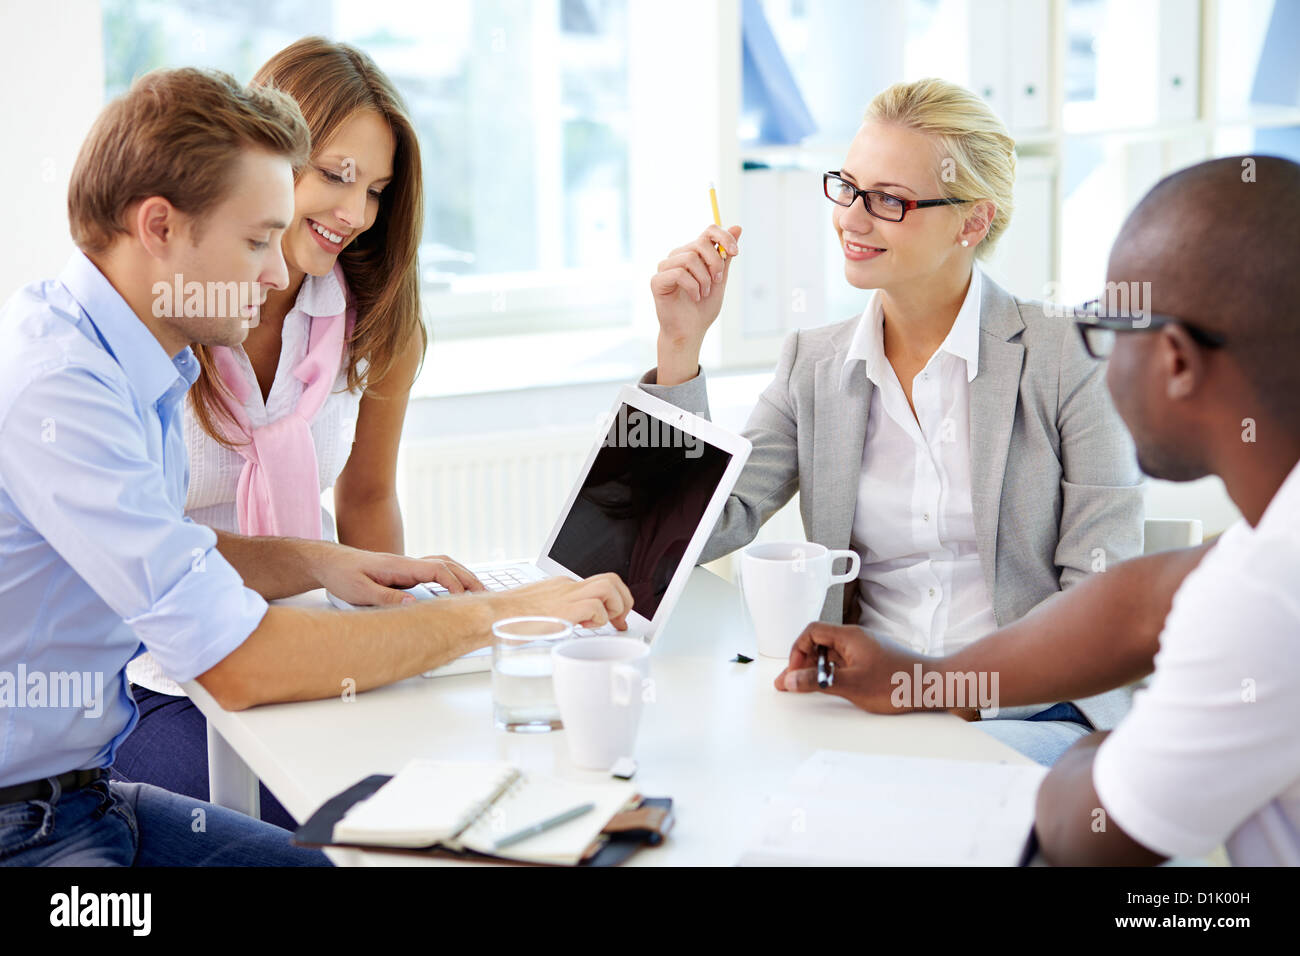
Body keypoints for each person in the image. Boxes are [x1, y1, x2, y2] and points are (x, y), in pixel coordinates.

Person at [0, 67, 631, 867]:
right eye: (258, 239)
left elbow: (171, 552)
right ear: (159, 226)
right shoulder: (62, 390)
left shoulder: (132, 362)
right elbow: (238, 664)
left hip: (81, 798)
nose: (275, 274)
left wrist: (322, 559)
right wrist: (499, 616)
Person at [775, 155, 1300, 866]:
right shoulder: (1270, 549)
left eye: (1110, 330)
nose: (1100, 360)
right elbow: (1146, 600)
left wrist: (1096, 750)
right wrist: (920, 681)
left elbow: (1086, 834)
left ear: (1175, 360)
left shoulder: (1264, 600)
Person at [641, 78, 1143, 765]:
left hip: (1033, 714)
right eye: (847, 187)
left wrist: (928, 692)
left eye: (889, 200)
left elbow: (1100, 601)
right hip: (863, 716)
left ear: (972, 222)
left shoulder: (1069, 358)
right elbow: (681, 538)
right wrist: (679, 350)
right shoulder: (813, 364)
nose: (851, 217)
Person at [114, 37, 467, 831]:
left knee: (426, 783)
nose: (355, 213)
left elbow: (369, 495)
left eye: (376, 189)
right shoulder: (178, 302)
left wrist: (394, 646)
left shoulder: (374, 319)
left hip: (299, 637)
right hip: (154, 671)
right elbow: (144, 552)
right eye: (336, 175)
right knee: (323, 816)